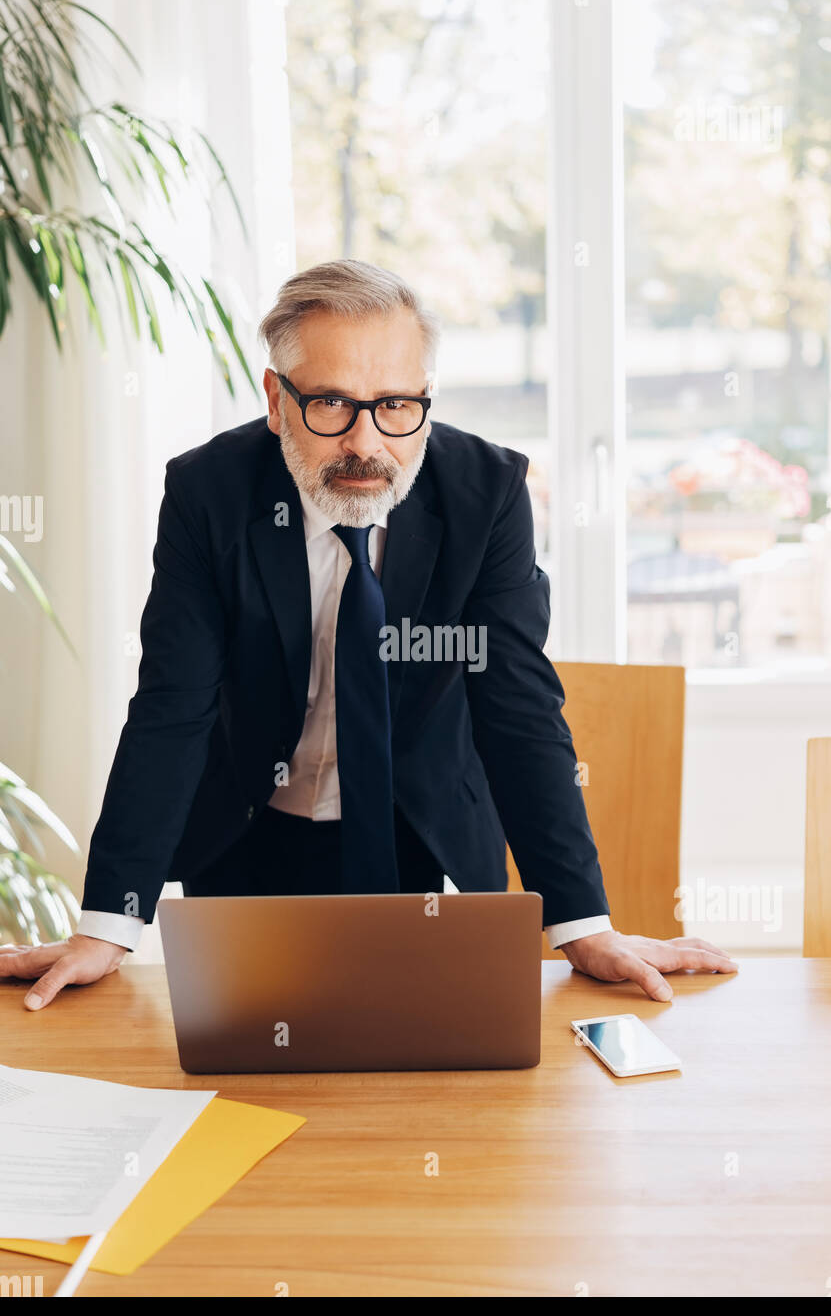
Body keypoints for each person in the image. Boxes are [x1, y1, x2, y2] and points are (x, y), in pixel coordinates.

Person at [1, 259, 736, 1011]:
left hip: (425, 832)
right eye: (329, 403)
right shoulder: (208, 494)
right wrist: (106, 925)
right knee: (252, 1055)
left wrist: (582, 925)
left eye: (395, 405)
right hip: (250, 833)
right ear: (276, 402)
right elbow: (171, 709)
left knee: (428, 1061)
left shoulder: (487, 494)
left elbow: (516, 711)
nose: (365, 442)